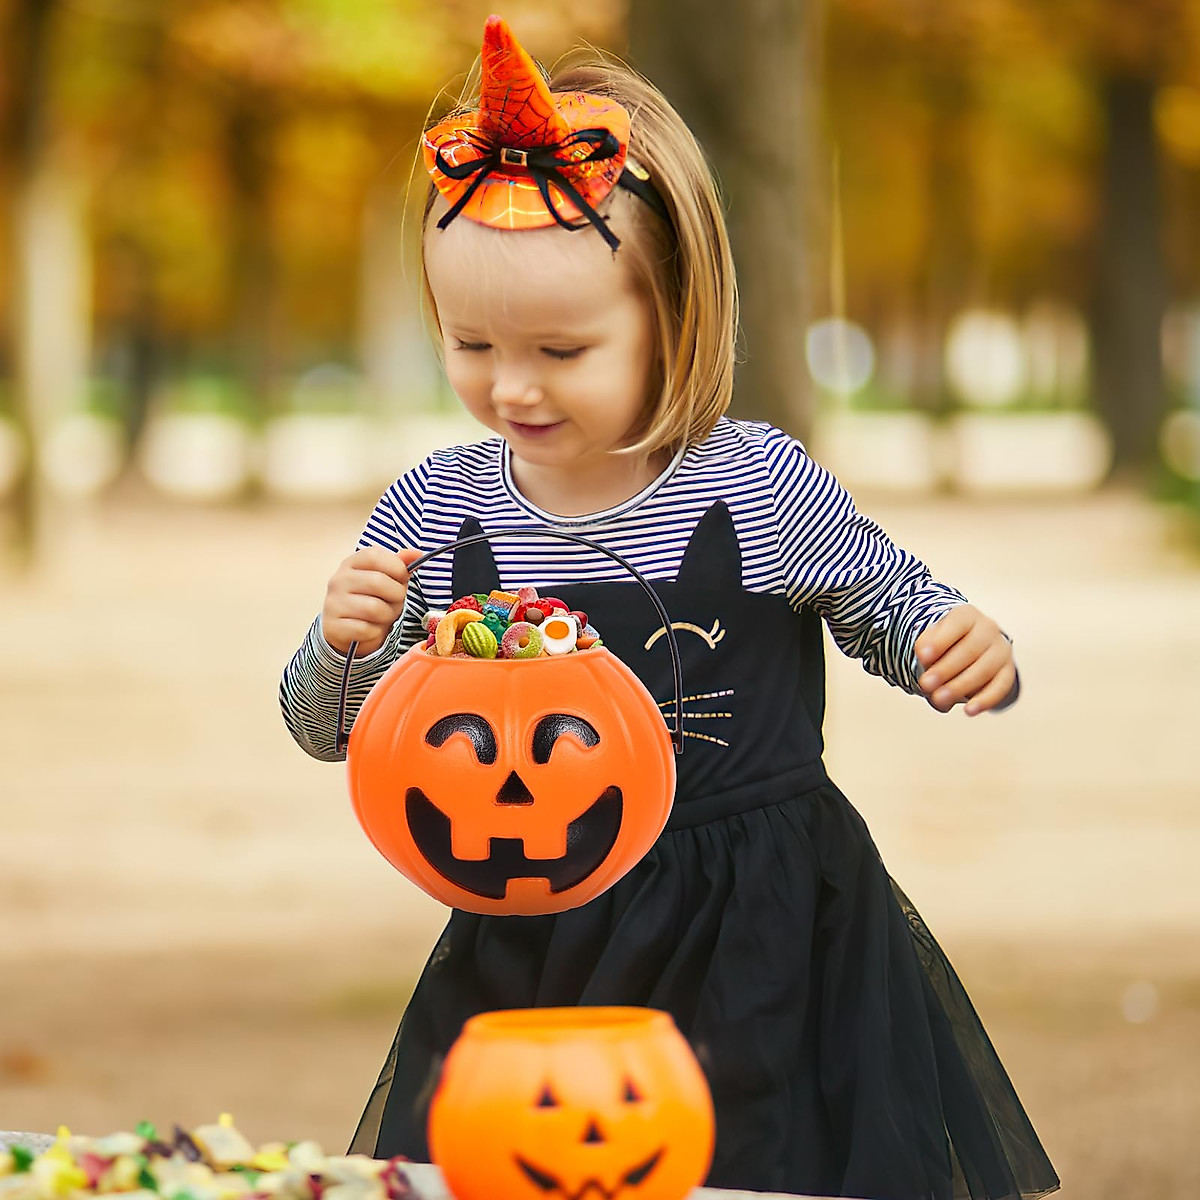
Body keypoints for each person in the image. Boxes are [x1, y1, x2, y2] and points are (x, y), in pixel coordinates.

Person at [280, 16, 1059, 1199]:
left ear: (672, 316)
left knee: (751, 1165)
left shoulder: (751, 483)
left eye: (561, 347)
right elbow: (331, 728)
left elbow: (886, 600)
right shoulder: (437, 511)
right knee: (518, 1167)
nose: (513, 384)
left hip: (765, 921)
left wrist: (955, 643)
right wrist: (340, 643)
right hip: (537, 913)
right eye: (470, 342)